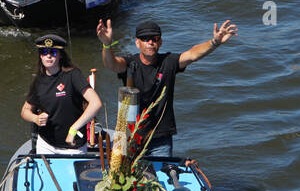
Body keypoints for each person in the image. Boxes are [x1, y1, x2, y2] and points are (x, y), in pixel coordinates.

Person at [95, 16, 238, 160]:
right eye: (145, 39)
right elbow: (111, 64)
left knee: (159, 178)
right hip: (128, 134)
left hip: (160, 138)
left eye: (155, 38)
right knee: (122, 176)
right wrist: (107, 45)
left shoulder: (168, 62)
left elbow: (193, 54)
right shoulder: (130, 64)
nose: (150, 42)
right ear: (137, 43)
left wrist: (215, 42)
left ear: (160, 42)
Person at [21, 34, 102, 152]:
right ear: (40, 56)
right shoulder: (38, 81)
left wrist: (73, 129)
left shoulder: (73, 75)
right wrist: (35, 118)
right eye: (44, 52)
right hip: (46, 145)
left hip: (74, 147)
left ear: (60, 56)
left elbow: (96, 103)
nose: (48, 55)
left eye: (53, 52)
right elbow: (25, 111)